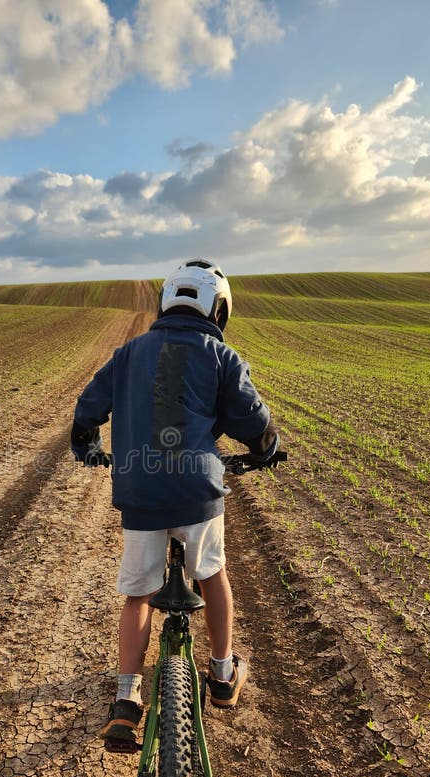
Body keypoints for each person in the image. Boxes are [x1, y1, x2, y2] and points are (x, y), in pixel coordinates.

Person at [71, 258, 280, 748]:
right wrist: (266, 449)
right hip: (197, 491)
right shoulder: (220, 357)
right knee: (212, 575)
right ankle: (223, 676)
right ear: (218, 309)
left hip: (140, 491)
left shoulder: (128, 353)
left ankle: (126, 701)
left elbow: (87, 410)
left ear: (166, 302)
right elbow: (252, 418)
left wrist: (87, 445)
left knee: (137, 594)